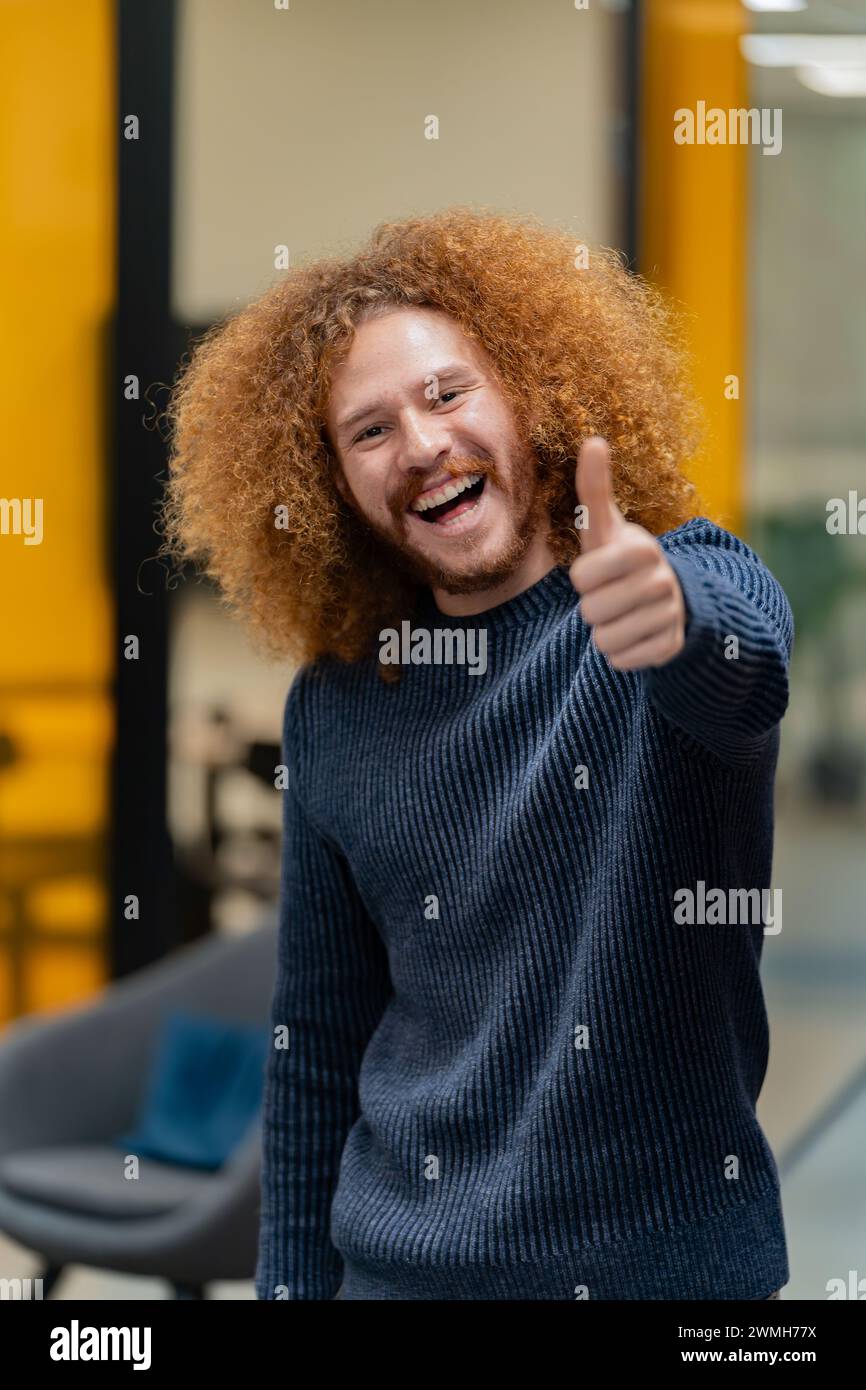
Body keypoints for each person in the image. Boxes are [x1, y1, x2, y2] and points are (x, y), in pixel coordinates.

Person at [161, 209, 792, 1301]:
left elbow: (743, 667)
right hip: (396, 1272)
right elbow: (316, 1042)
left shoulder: (673, 587)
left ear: (531, 397)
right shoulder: (338, 705)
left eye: (448, 393)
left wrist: (676, 616)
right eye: (367, 432)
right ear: (332, 489)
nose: (419, 445)